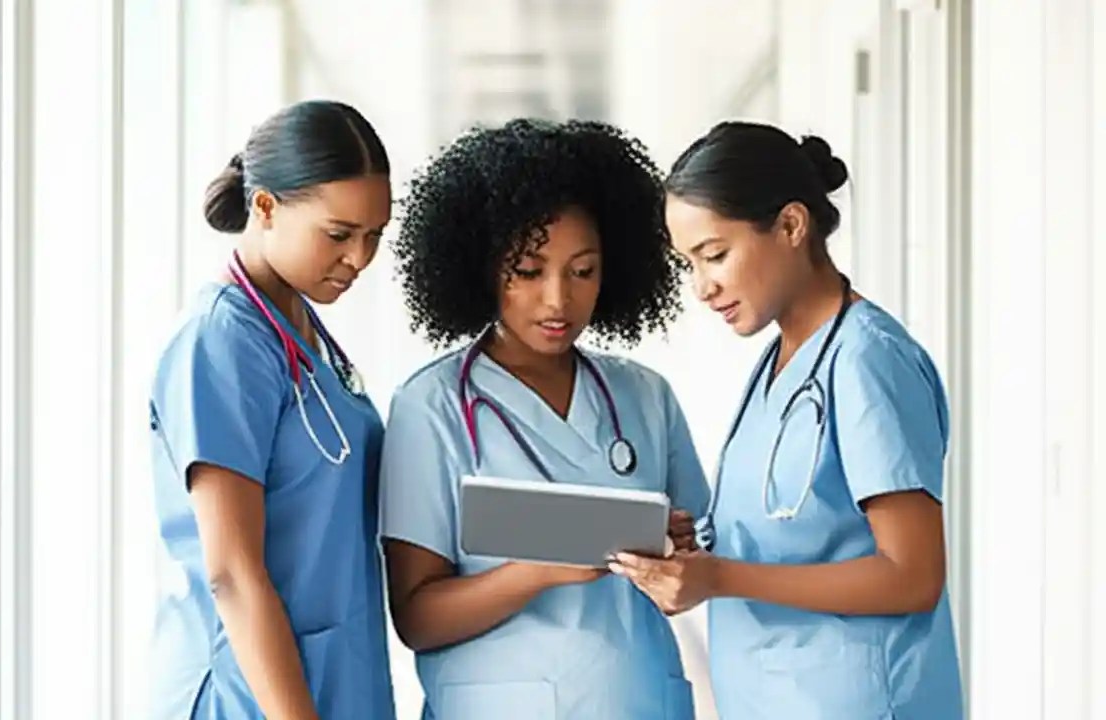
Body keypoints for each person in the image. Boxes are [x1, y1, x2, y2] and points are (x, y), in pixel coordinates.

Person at [611, 120, 964, 718]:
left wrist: (720, 577)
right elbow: (790, 531)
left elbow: (912, 575)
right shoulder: (780, 362)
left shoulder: (868, 360)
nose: (702, 287)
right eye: (688, 265)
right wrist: (689, 550)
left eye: (715, 255)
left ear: (792, 226)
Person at [380, 118, 710, 720]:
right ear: (483, 267)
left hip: (640, 699)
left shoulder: (644, 396)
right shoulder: (431, 407)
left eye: (582, 271)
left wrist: (680, 557)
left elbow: (695, 576)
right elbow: (416, 618)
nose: (558, 300)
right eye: (529, 271)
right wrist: (535, 572)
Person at [147, 100, 397, 720]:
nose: (359, 259)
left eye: (373, 236)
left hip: (337, 681)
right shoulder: (222, 341)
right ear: (264, 207)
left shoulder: (301, 329)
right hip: (248, 696)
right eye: (338, 235)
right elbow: (231, 571)